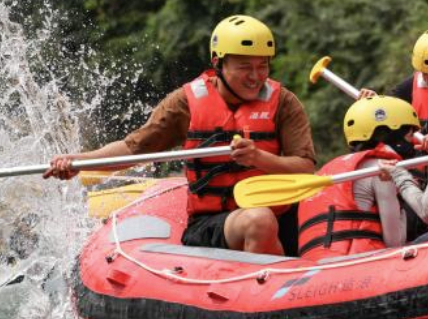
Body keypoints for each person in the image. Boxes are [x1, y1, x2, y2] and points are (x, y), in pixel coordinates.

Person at [45, 15, 317, 255]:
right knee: (259, 220)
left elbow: (305, 170)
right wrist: (78, 162)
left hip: (282, 219)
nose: (255, 77)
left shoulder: (284, 102)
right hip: (214, 224)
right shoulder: (184, 104)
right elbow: (134, 150)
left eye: (263, 66)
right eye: (245, 67)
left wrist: (259, 158)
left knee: (272, 218)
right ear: (218, 63)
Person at [296, 96, 419, 258]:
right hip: (357, 265)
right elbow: (395, 242)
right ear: (392, 135)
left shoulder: (326, 171)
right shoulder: (381, 169)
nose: (414, 143)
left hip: (314, 268)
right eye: (410, 135)